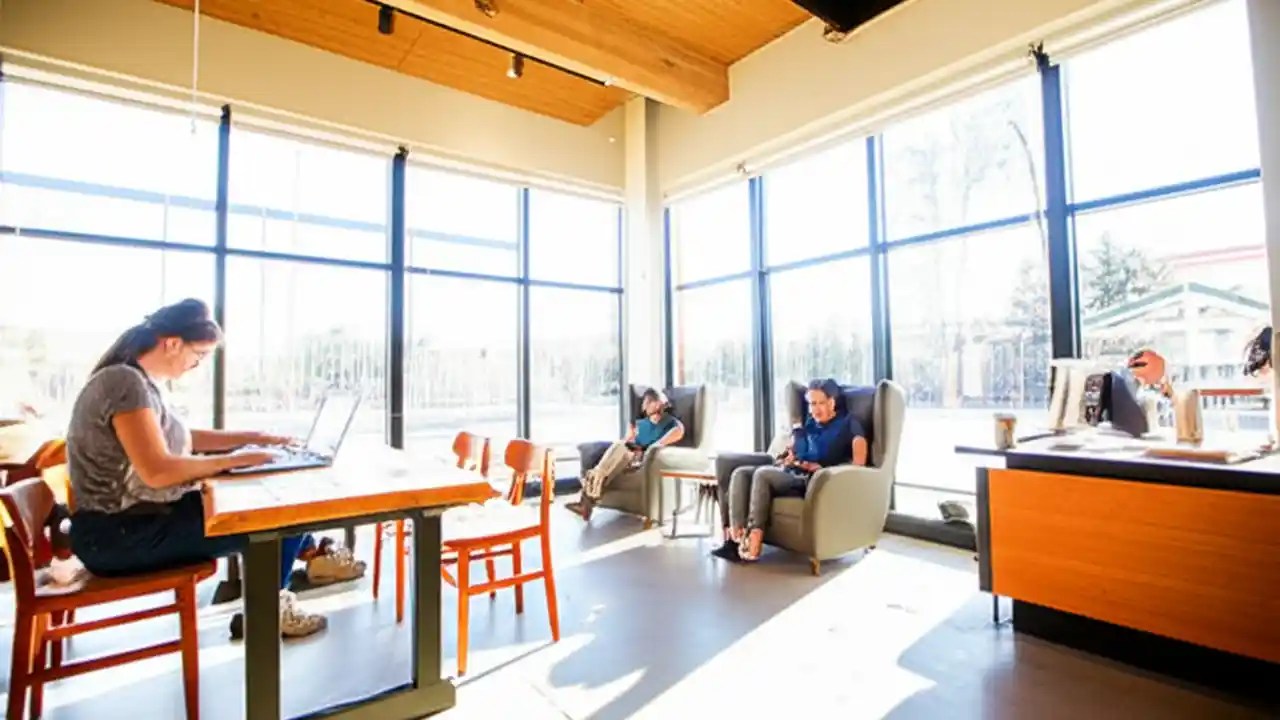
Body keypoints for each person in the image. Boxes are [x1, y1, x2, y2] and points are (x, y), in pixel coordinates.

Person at [66, 298, 365, 638]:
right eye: (200, 355)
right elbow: (158, 470)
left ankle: (299, 567)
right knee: (282, 516)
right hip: (120, 537)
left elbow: (184, 439)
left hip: (126, 526)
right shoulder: (125, 383)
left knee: (271, 510)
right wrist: (238, 460)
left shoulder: (138, 382)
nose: (198, 365)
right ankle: (267, 612)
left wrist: (255, 439)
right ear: (173, 343)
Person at [712, 378, 868, 563]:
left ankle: (754, 541)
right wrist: (788, 455)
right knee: (741, 473)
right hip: (792, 471)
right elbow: (792, 450)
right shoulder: (809, 423)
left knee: (763, 474)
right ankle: (735, 540)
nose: (815, 409)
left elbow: (858, 466)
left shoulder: (849, 424)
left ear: (832, 402)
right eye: (811, 404)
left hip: (812, 479)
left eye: (820, 403)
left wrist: (823, 469)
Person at [565, 388, 684, 521]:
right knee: (620, 448)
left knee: (621, 451)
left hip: (647, 460)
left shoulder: (674, 425)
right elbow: (628, 440)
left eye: (646, 402)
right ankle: (588, 499)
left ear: (657, 404)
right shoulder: (641, 424)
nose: (643, 407)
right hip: (629, 457)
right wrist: (631, 437)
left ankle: (588, 492)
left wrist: (642, 451)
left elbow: (659, 445)